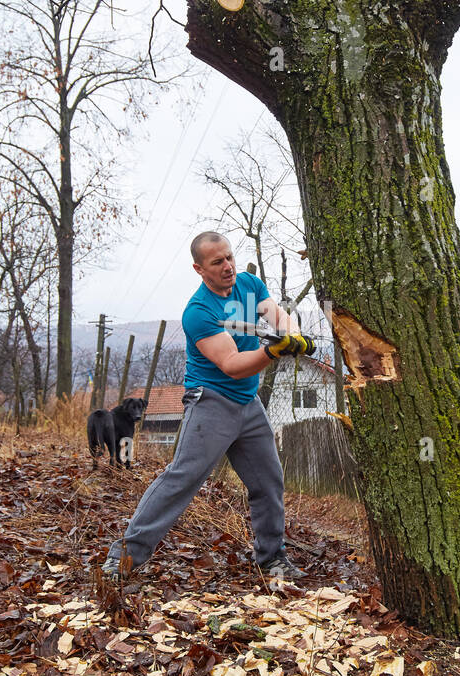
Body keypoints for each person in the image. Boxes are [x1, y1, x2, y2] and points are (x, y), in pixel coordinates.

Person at [101, 231, 315, 582]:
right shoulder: (199, 312)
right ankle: (123, 557)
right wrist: (272, 352)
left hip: (248, 403)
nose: (228, 266)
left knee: (269, 479)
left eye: (229, 257)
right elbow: (231, 364)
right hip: (211, 401)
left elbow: (278, 316)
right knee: (183, 478)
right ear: (199, 268)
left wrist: (293, 335)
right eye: (218, 262)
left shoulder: (249, 285)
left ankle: (271, 558)